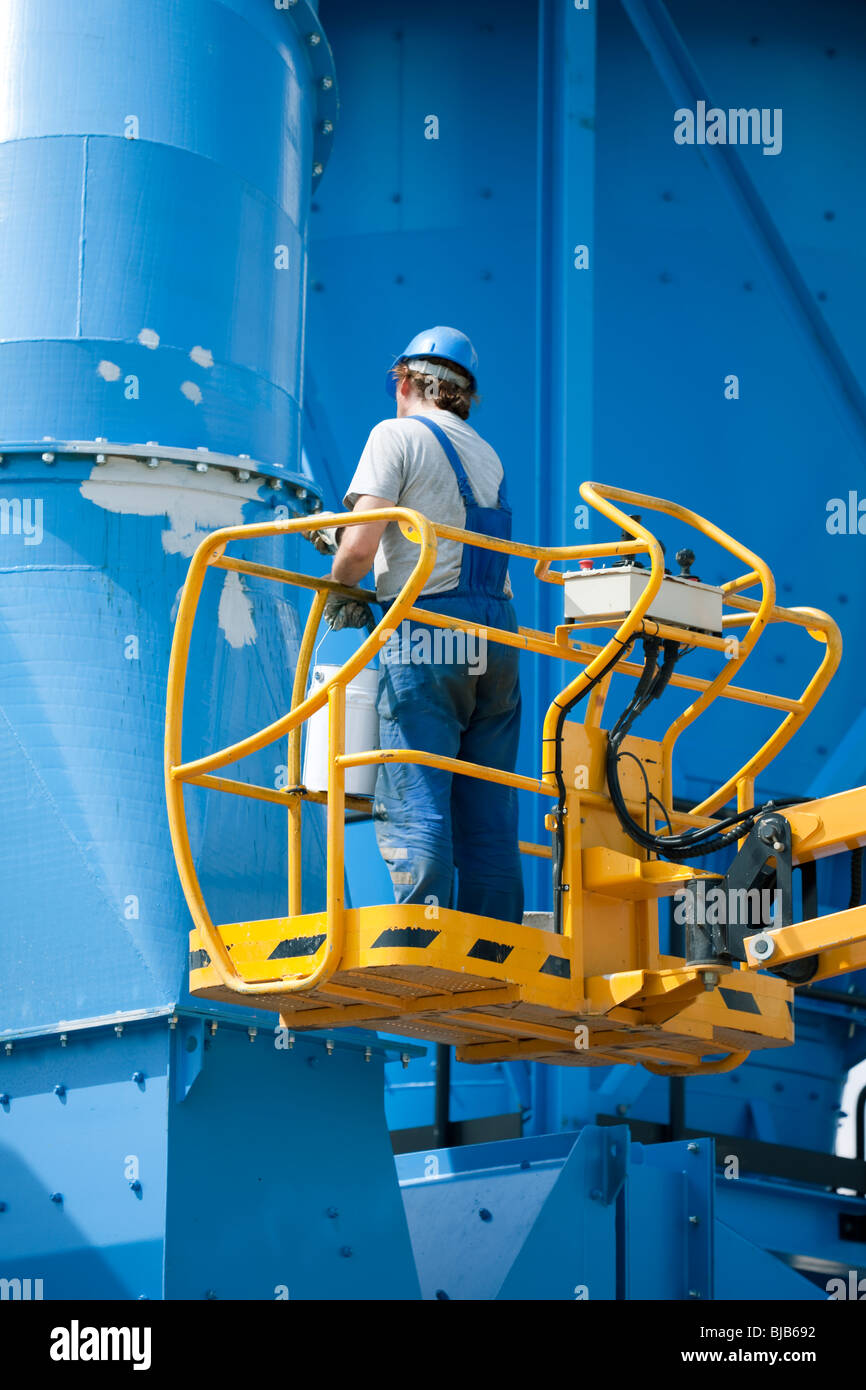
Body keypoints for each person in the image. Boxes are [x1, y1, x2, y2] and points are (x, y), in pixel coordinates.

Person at [317, 327, 523, 926]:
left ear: (404, 381)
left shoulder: (395, 435)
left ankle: (422, 930)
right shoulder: (488, 455)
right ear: (464, 395)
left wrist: (342, 587)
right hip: (498, 638)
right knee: (487, 797)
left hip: (430, 629)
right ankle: (494, 938)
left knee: (418, 785)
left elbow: (360, 548)